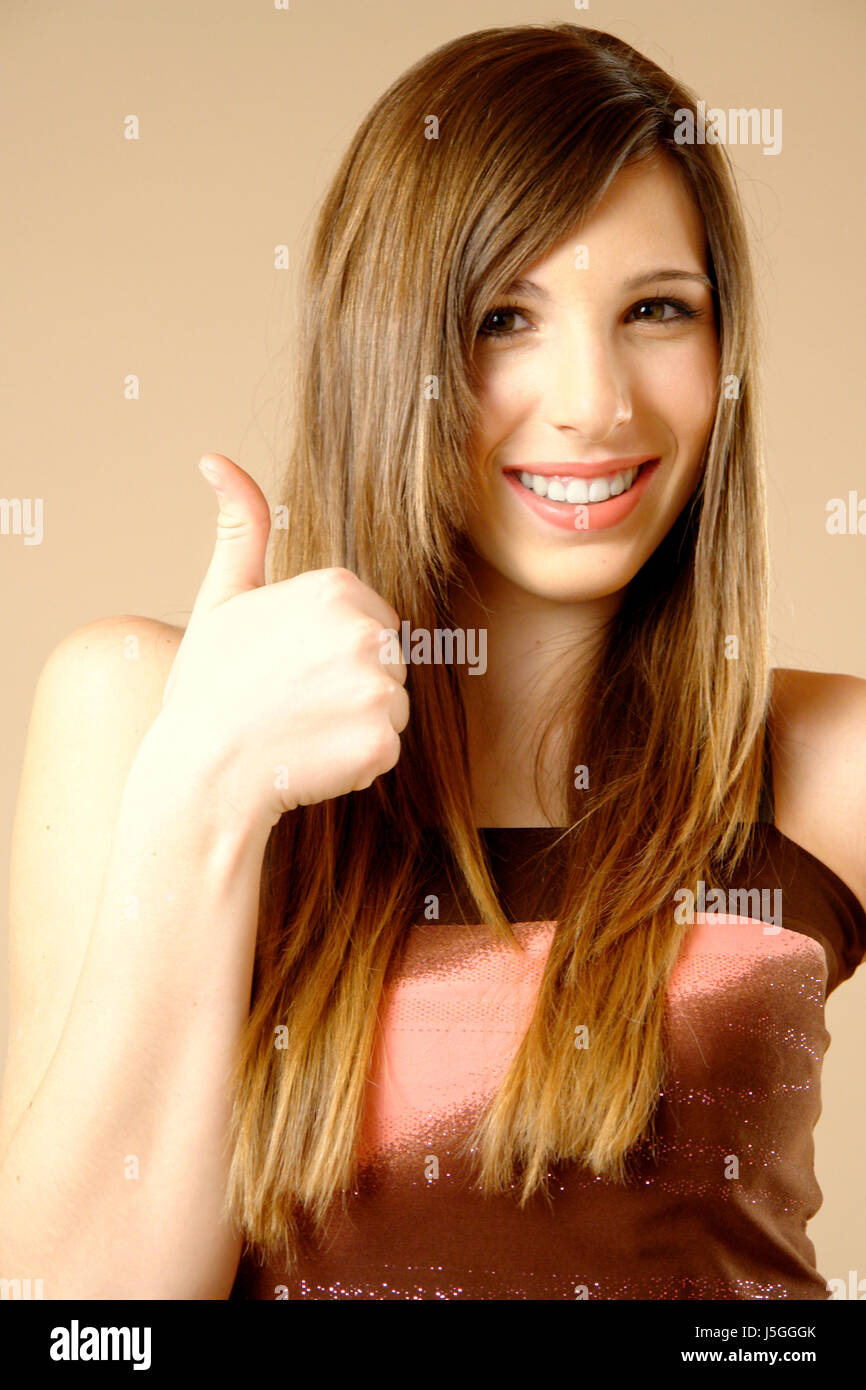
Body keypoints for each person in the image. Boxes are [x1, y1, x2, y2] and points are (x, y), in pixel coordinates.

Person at [1, 22, 864, 1302]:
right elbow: (79, 1330)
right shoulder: (138, 713)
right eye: (503, 316)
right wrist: (208, 796)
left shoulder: (826, 763)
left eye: (655, 311)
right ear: (384, 350)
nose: (593, 403)